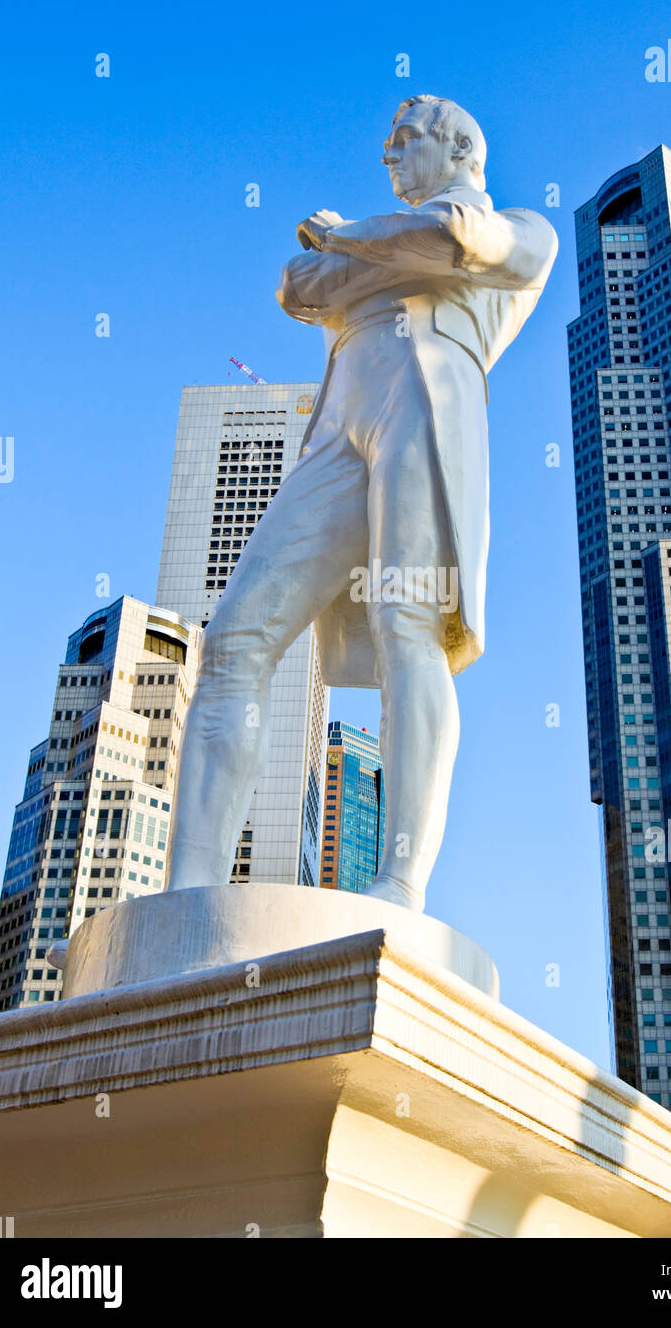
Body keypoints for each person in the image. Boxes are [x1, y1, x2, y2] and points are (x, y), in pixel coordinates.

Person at [165, 94, 556, 911]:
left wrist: (349, 239)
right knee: (234, 637)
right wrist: (380, 255)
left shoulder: (527, 227)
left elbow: (458, 239)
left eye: (404, 141)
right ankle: (188, 890)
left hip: (427, 398)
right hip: (338, 422)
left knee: (409, 630)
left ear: (458, 149)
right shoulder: (391, 242)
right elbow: (298, 286)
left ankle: (400, 884)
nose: (389, 156)